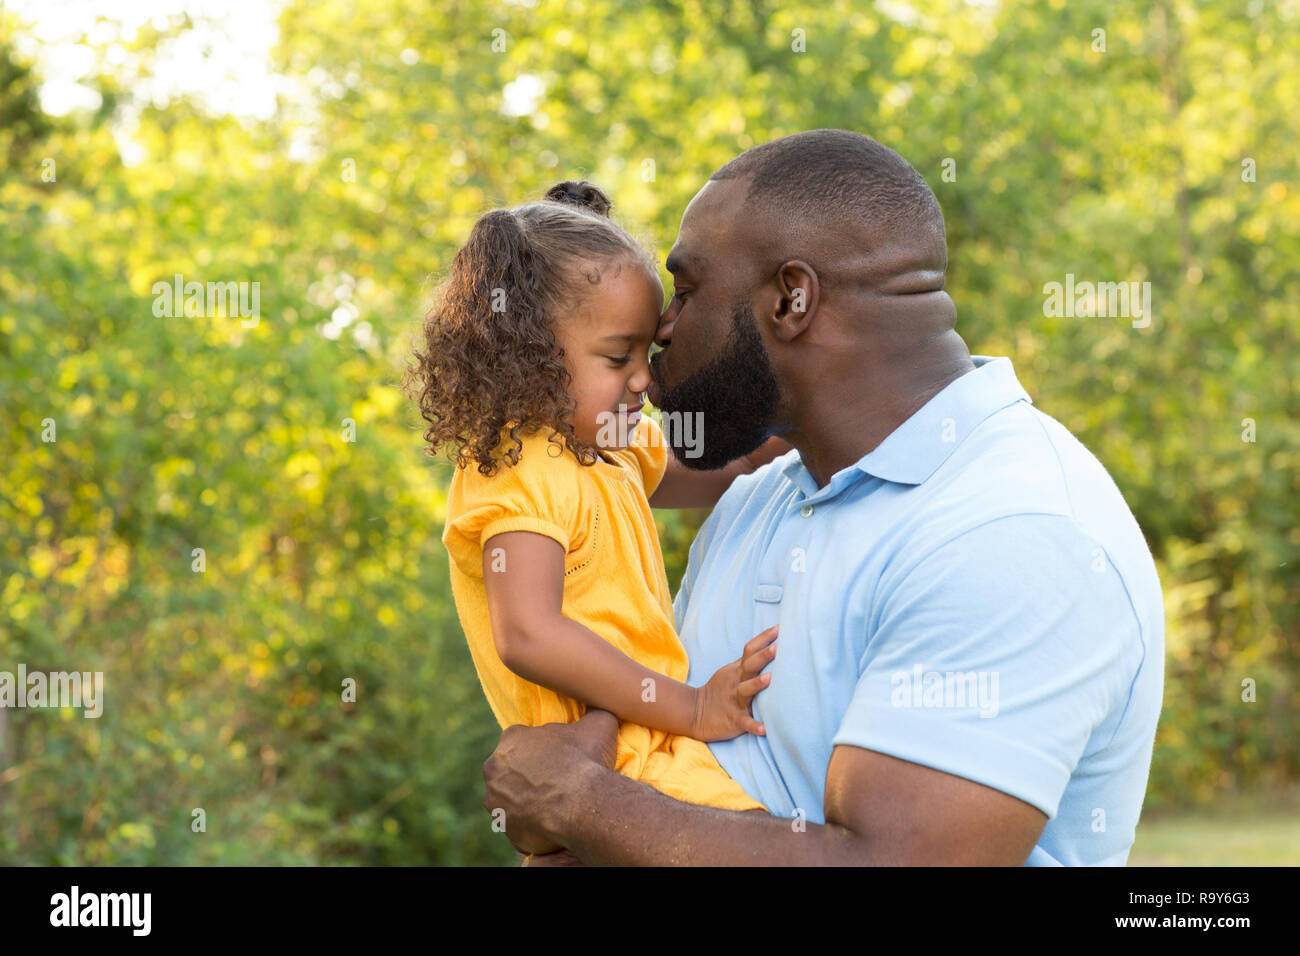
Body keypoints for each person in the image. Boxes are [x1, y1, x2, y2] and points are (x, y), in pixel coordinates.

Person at [481, 130, 1166, 866]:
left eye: (684, 292)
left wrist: (577, 801)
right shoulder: (761, 500)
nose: (661, 334)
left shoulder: (1014, 530)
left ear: (792, 299)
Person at [404, 181, 790, 841]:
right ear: (531, 359)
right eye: (619, 357)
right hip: (611, 760)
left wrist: (805, 425)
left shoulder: (614, 442)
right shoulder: (517, 470)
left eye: (648, 353)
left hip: (654, 742)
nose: (644, 379)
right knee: (766, 848)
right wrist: (692, 706)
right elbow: (528, 633)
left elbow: (726, 469)